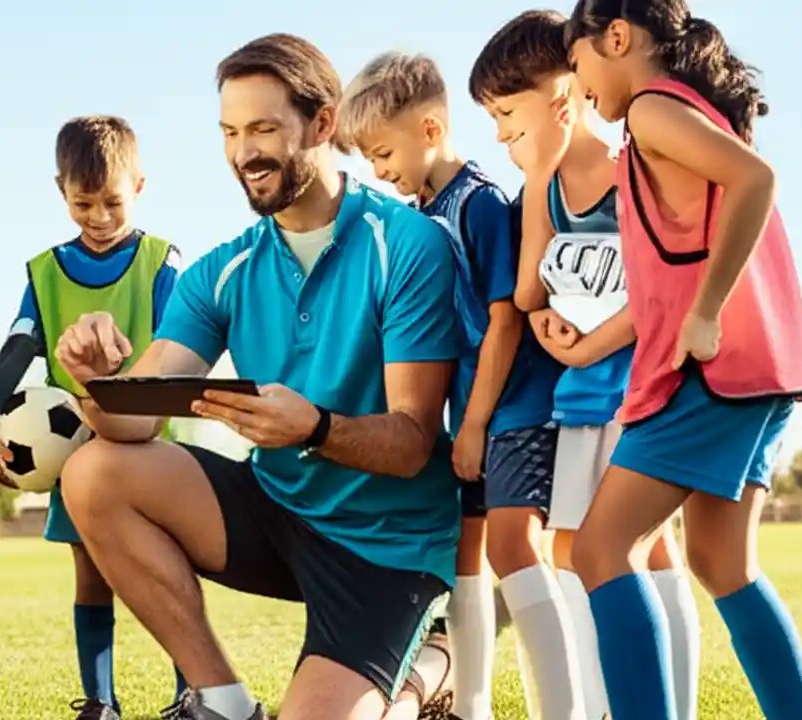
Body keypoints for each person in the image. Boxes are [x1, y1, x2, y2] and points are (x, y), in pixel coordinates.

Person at [52, 33, 465, 720]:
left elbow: (412, 441)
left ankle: (431, 663)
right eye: (231, 132)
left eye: (264, 128)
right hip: (278, 516)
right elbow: (134, 419)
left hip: (389, 545)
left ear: (323, 123)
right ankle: (221, 700)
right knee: (94, 472)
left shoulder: (407, 246)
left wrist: (316, 427)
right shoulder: (224, 271)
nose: (244, 152)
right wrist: (99, 382)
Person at [564, 2, 802, 719]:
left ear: (615, 38)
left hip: (712, 376)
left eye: (577, 61)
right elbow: (666, 284)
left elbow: (755, 179)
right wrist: (591, 344)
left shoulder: (651, 110)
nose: (578, 81)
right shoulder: (675, 115)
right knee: (721, 562)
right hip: (761, 374)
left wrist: (707, 312)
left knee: (599, 551)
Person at [468, 9, 702, 719]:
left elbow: (663, 288)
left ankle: (658, 706)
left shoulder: (632, 170)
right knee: (573, 545)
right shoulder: (546, 191)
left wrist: (598, 343)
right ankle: (608, 703)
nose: (503, 134)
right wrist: (539, 179)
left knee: (642, 547)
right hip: (580, 397)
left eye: (511, 115)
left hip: (639, 391)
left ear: (564, 94)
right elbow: (530, 290)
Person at [340, 50, 577, 719]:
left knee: (511, 546)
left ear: (431, 129)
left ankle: (565, 709)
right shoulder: (418, 216)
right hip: (464, 416)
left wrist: (474, 424)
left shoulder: (479, 205)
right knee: (464, 559)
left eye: (385, 154)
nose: (380, 173)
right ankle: (472, 707)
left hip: (514, 408)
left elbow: (506, 321)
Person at [0, 115, 185, 720]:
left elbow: (176, 349)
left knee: (167, 576)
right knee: (90, 577)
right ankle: (100, 702)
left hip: (154, 453)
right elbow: (17, 350)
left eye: (112, 201)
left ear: (138, 186)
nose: (99, 216)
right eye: (82, 202)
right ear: (60, 190)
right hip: (76, 461)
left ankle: (188, 695)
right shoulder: (43, 271)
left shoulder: (161, 263)